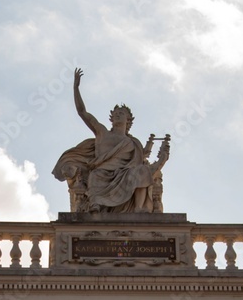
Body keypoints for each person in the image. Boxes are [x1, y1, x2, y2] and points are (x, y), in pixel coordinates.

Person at [52, 68, 169, 213]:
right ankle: (96, 203)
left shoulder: (133, 143)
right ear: (111, 119)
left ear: (128, 120)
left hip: (126, 173)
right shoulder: (102, 133)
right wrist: (75, 88)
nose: (118, 116)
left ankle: (140, 209)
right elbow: (83, 112)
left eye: (122, 114)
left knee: (142, 171)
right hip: (102, 172)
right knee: (95, 175)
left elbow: (141, 161)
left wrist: (162, 158)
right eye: (116, 114)